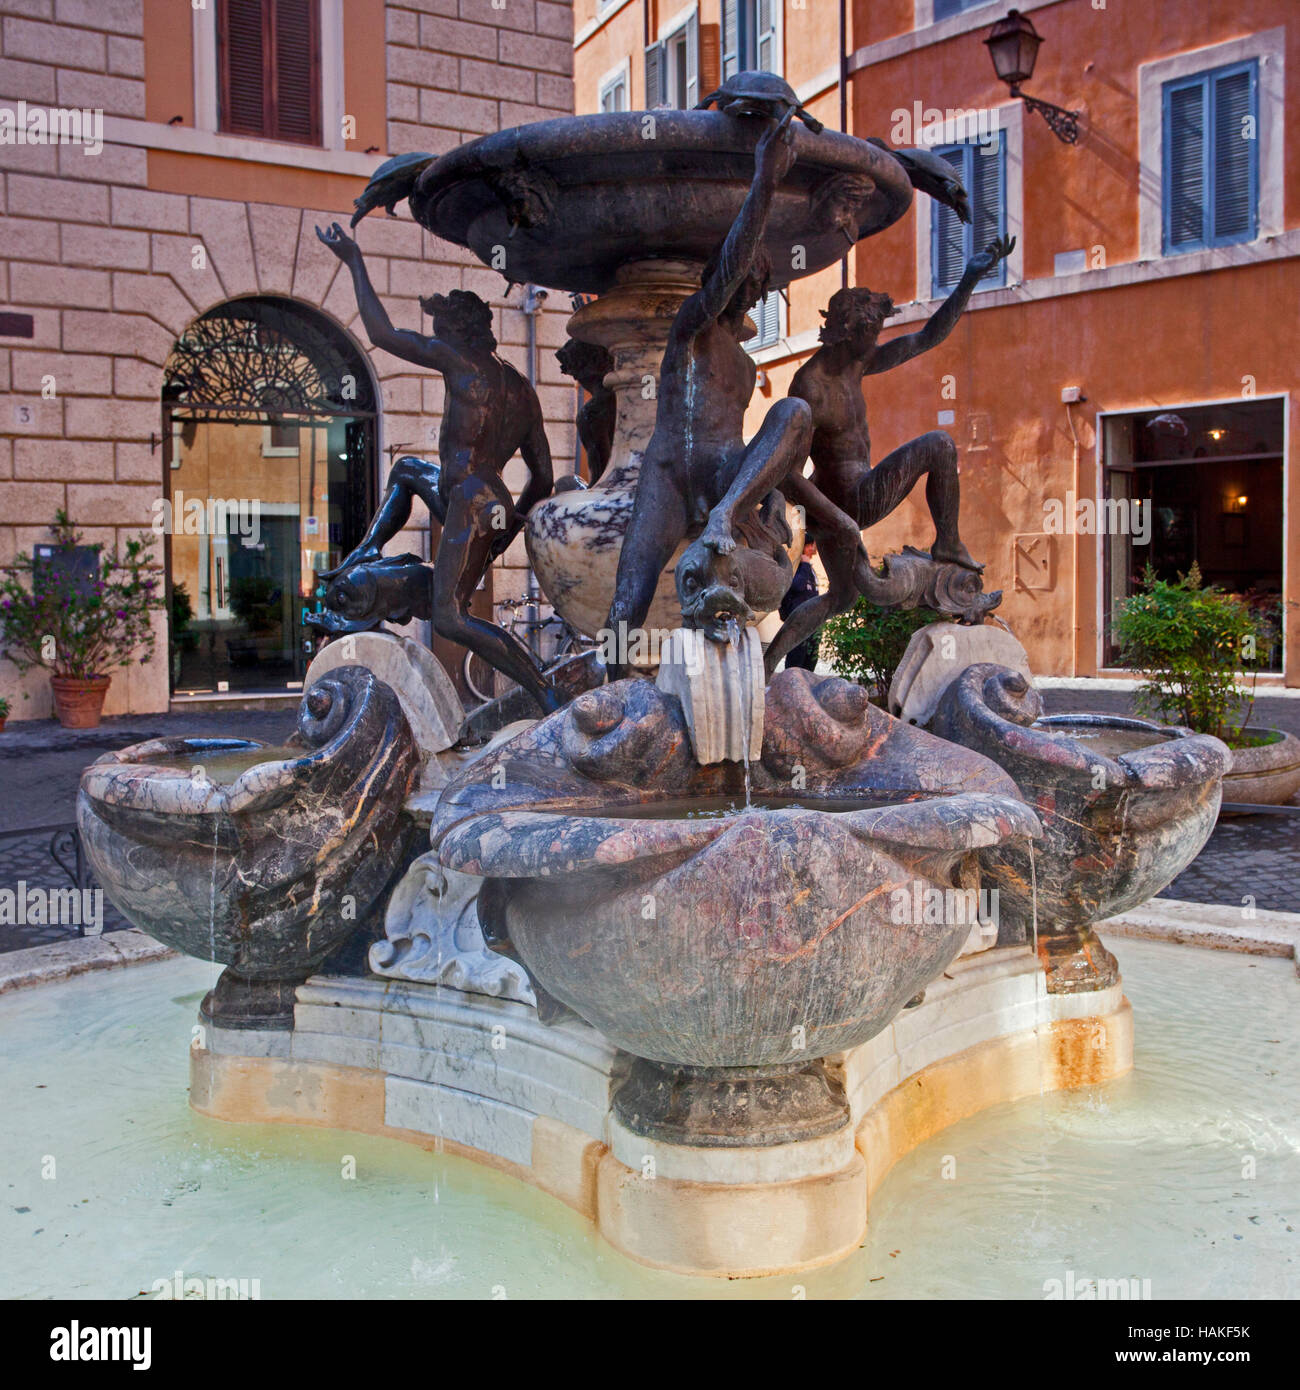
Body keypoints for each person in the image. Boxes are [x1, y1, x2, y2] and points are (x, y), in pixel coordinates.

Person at [603, 112, 818, 677]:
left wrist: (775, 494)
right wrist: (765, 181)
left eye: (756, 283)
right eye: (743, 275)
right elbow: (723, 270)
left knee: (795, 412)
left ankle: (725, 514)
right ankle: (606, 702)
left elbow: (764, 442)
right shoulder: (691, 325)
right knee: (630, 595)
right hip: (671, 472)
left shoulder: (746, 363)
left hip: (727, 477)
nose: (747, 288)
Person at [313, 222, 559, 710]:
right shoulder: (523, 391)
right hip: (486, 499)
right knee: (406, 469)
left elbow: (382, 334)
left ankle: (544, 690)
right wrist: (505, 529)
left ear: (454, 331)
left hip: (467, 498)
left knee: (450, 619)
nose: (433, 337)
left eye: (439, 329)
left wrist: (354, 261)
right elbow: (544, 479)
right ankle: (364, 550)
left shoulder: (459, 361)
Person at [780, 541, 821, 670]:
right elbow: (798, 586)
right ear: (803, 547)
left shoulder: (808, 567)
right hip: (798, 620)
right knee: (796, 658)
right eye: (810, 545)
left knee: (811, 658)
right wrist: (804, 565)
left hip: (812, 621)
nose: (813, 549)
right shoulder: (797, 566)